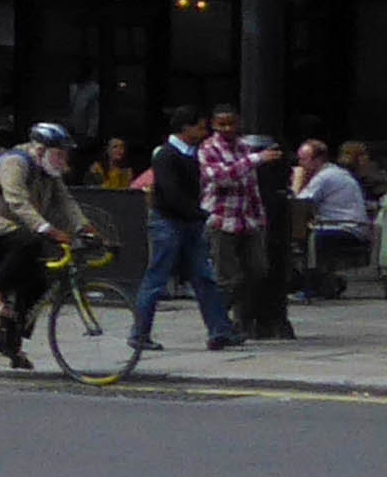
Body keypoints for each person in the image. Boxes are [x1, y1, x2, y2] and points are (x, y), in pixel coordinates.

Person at [0, 124, 77, 371]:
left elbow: (66, 203)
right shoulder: (16, 162)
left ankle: (10, 344)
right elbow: (17, 203)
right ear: (41, 150)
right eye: (59, 153)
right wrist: (48, 229)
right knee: (30, 241)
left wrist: (86, 228)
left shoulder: (49, 171)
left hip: (11, 229)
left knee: (37, 282)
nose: (63, 160)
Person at [129, 107, 239, 356]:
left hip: (189, 221)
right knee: (157, 278)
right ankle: (139, 334)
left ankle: (220, 331)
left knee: (204, 277)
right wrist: (201, 213)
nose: (203, 132)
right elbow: (171, 193)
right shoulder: (166, 155)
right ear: (185, 128)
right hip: (168, 222)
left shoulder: (192, 153)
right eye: (199, 127)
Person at [201, 105, 283, 338]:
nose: (227, 128)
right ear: (214, 125)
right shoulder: (209, 148)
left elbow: (251, 187)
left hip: (248, 220)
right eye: (221, 124)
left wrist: (260, 219)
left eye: (231, 123)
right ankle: (218, 325)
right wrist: (256, 159)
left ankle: (240, 320)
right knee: (228, 278)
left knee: (257, 270)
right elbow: (222, 177)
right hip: (222, 220)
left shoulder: (244, 148)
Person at [296, 140, 371, 296]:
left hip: (347, 227)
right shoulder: (334, 173)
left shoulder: (325, 177)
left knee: (310, 238)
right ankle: (323, 282)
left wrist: (298, 181)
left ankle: (311, 286)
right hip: (351, 226)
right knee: (307, 235)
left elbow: (301, 202)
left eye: (304, 159)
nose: (300, 164)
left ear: (318, 160)